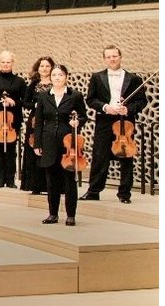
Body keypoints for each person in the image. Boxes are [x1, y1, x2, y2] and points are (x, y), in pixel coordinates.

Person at [82, 45, 147, 204]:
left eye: (115, 56)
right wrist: (106, 107)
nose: (112, 59)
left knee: (126, 156)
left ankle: (124, 194)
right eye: (109, 57)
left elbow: (142, 101)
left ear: (120, 56)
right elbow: (91, 100)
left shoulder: (134, 79)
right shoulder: (97, 77)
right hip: (105, 120)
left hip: (125, 121)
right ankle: (94, 191)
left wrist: (128, 109)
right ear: (104, 59)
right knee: (100, 156)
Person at [35, 64, 89, 225]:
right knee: (51, 180)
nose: (57, 77)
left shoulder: (75, 96)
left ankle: (71, 215)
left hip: (69, 144)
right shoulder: (44, 96)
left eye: (60, 75)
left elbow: (84, 116)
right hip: (49, 141)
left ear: (66, 77)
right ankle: (53, 214)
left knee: (69, 180)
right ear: (50, 78)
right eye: (54, 75)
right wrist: (38, 144)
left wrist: (77, 121)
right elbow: (39, 122)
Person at [0, 50, 28, 189]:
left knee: (11, 150)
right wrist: (1, 99)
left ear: (12, 63)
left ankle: (10, 179)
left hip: (12, 121)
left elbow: (25, 101)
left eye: (8, 62)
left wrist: (13, 101)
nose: (5, 64)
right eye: (3, 62)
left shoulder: (19, 81)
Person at [20, 57, 56, 195]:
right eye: (42, 66)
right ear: (38, 68)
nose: (44, 68)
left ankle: (50, 185)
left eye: (47, 66)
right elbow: (25, 102)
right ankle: (35, 184)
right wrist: (36, 105)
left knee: (50, 149)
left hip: (51, 119)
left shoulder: (56, 82)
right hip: (35, 120)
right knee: (33, 149)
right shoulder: (33, 84)